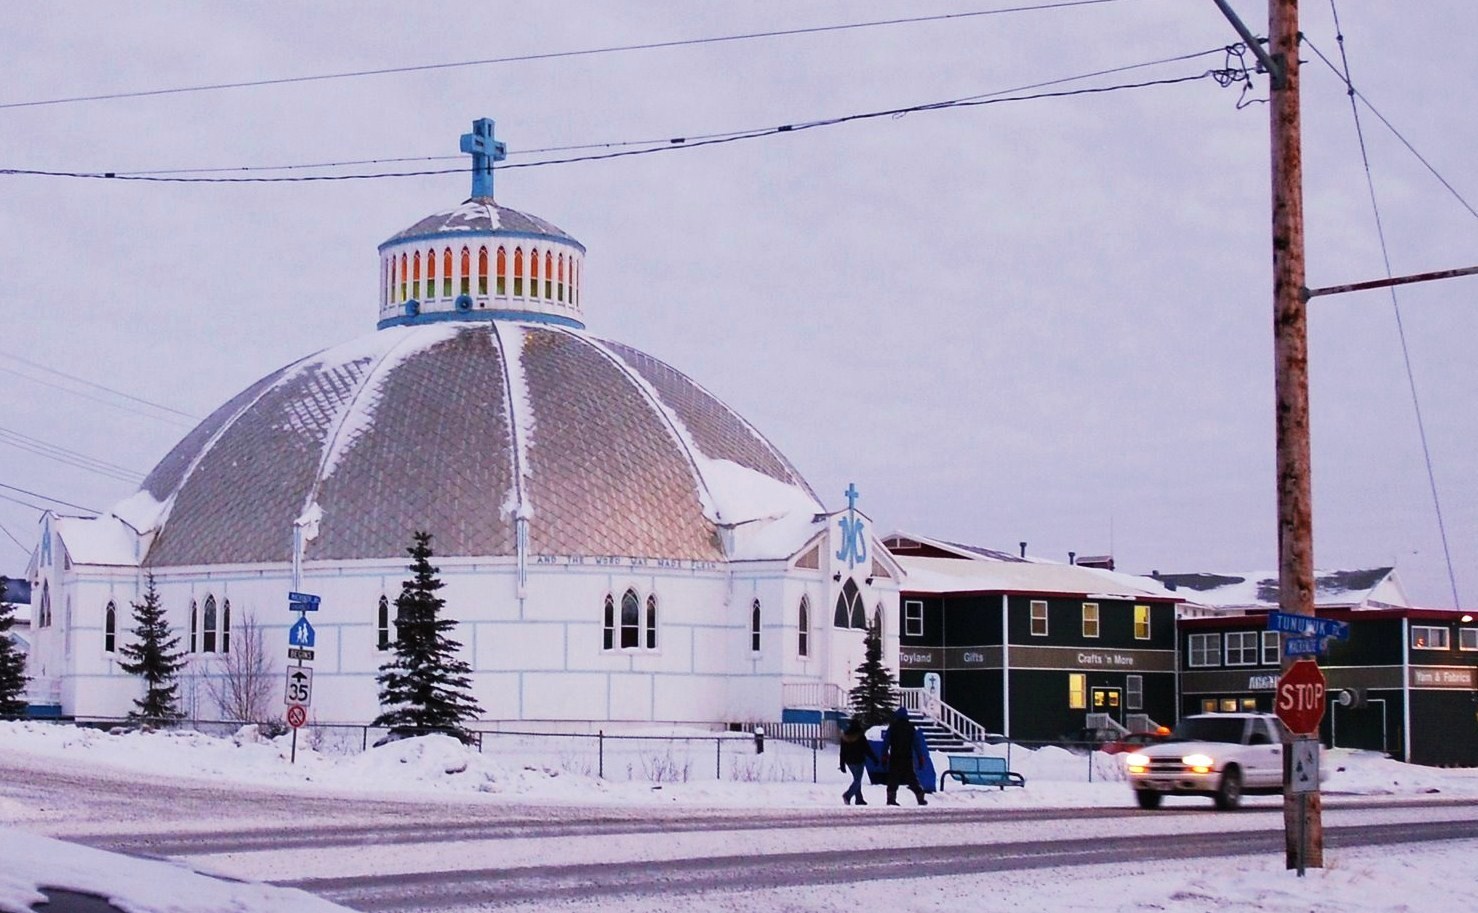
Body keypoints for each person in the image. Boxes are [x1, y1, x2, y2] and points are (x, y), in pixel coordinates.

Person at [881, 706, 928, 806]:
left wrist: (884, 754)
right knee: (911, 777)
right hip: (907, 756)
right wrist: (920, 757)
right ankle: (919, 795)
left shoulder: (893, 727)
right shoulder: (910, 727)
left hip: (895, 756)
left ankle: (891, 798)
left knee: (893, 778)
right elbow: (916, 744)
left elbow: (886, 742)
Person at [838, 718, 878, 805]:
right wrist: (874, 759)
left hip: (849, 762)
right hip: (859, 761)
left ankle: (859, 799)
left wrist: (842, 764)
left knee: (856, 780)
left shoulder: (845, 737)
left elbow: (842, 752)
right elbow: (867, 749)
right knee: (857, 780)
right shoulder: (860, 736)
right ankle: (848, 795)